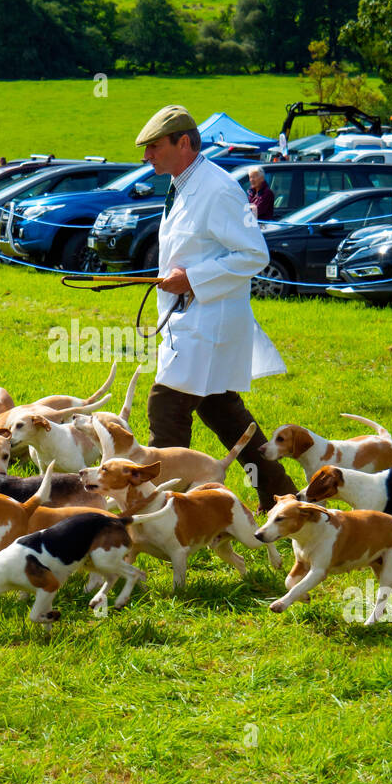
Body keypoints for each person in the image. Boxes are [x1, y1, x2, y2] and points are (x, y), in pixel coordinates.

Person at [134, 104, 294, 512]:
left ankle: (159, 509)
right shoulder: (182, 184)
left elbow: (254, 254)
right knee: (223, 412)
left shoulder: (220, 188)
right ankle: (282, 495)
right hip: (192, 321)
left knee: (165, 406)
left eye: (153, 146)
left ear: (183, 143)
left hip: (209, 324)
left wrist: (192, 279)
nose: (146, 156)